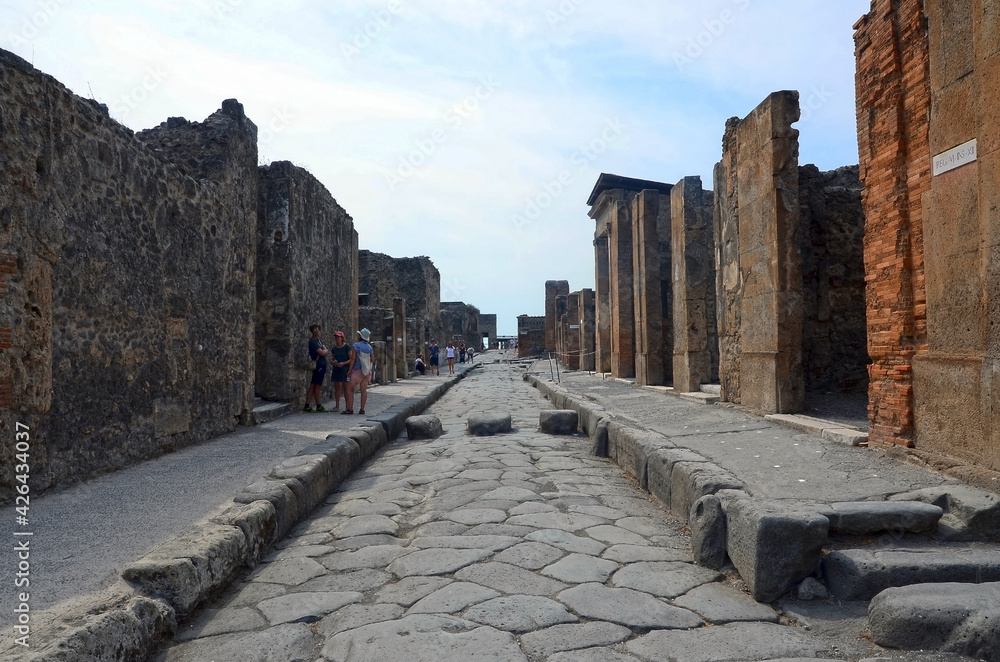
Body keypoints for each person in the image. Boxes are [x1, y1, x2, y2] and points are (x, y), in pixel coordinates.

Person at [344, 328, 374, 415]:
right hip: (366, 371)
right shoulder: (369, 347)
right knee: (363, 390)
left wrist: (349, 370)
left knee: (349, 389)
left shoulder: (356, 345)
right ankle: (362, 409)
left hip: (357, 370)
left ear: (360, 336)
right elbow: (372, 359)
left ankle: (350, 409)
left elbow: (352, 359)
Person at [305, 324, 329, 412]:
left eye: (318, 330)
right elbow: (323, 352)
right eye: (315, 330)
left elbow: (325, 350)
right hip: (318, 365)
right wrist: (325, 351)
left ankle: (307, 405)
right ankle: (318, 405)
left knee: (313, 385)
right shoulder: (313, 342)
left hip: (321, 364)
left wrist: (325, 351)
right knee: (317, 385)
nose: (317, 332)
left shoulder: (318, 341)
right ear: (312, 332)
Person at [328, 331, 352, 412]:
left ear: (342, 338)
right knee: (337, 388)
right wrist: (332, 362)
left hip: (345, 369)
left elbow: (351, 359)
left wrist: (343, 363)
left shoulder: (347, 347)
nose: (336, 338)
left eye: (338, 337)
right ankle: (337, 406)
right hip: (337, 369)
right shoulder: (334, 349)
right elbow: (333, 358)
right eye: (336, 337)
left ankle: (347, 406)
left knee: (346, 388)